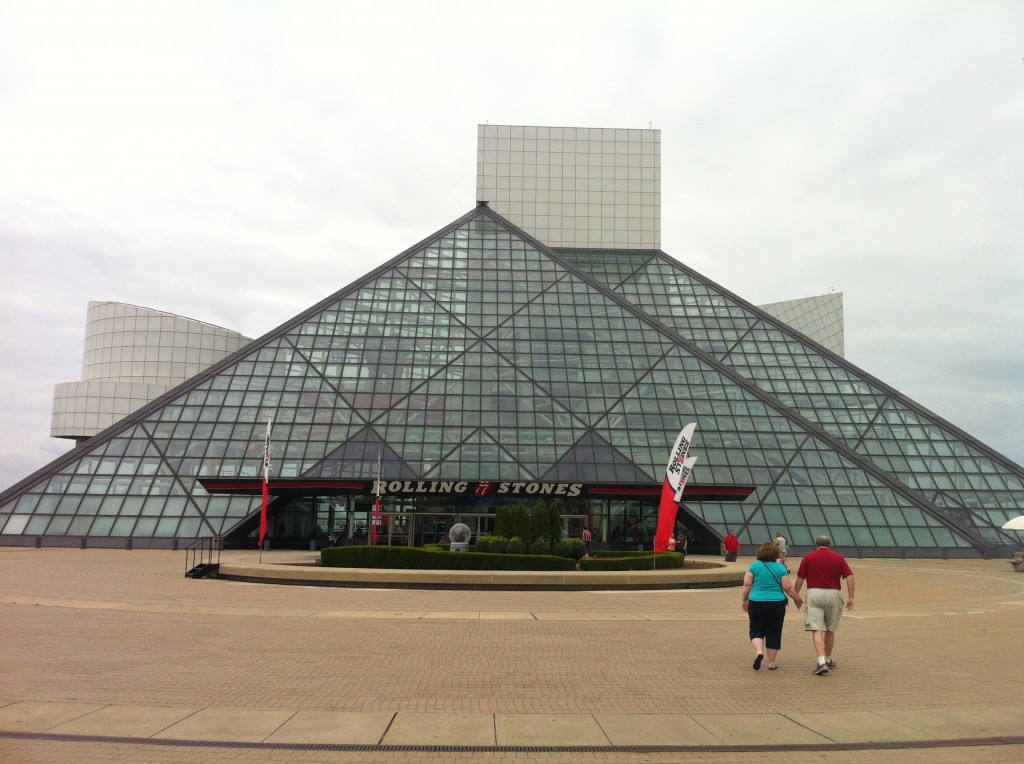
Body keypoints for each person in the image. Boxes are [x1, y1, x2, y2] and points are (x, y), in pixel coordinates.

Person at [793, 534, 855, 676]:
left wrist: (796, 596)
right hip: (834, 594)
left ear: (816, 545)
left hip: (814, 594)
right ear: (829, 545)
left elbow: (800, 579)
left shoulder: (808, 557)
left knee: (816, 630)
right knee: (830, 629)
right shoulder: (838, 558)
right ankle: (827, 659)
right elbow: (850, 577)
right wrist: (851, 597)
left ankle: (821, 662)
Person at [741, 541, 803, 670]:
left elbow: (747, 585)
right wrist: (798, 599)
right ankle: (771, 663)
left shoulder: (754, 566)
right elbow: (788, 588)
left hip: (756, 602)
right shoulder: (780, 567)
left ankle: (759, 652)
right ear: (775, 553)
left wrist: (744, 600)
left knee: (756, 629)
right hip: (776, 603)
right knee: (774, 631)